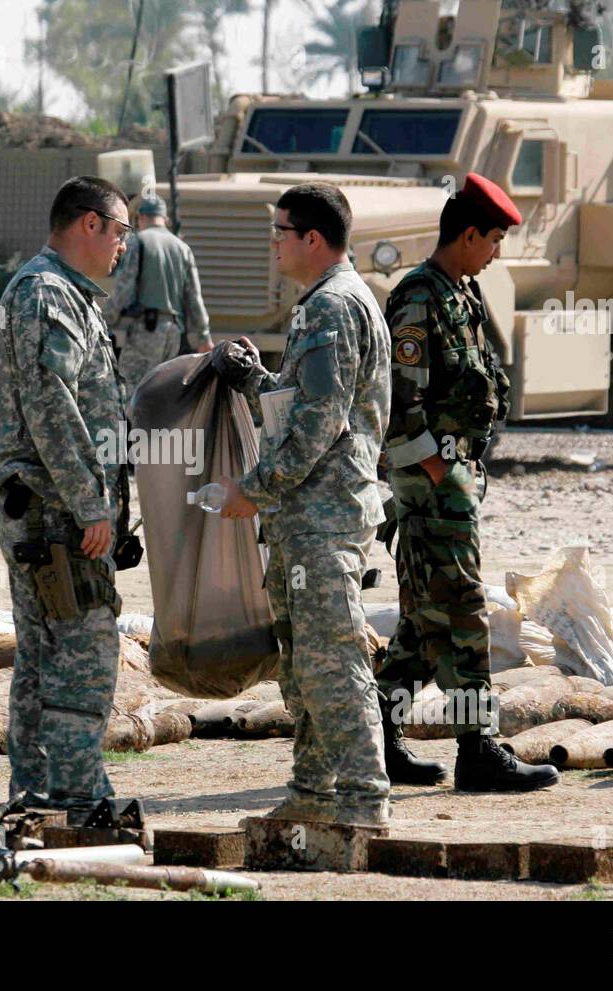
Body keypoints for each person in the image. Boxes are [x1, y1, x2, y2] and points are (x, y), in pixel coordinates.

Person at [211, 182, 392, 827]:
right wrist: (254, 378)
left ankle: (363, 799)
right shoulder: (331, 303)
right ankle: (313, 793)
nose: (274, 243)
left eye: (281, 232)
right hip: (313, 512)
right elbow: (307, 406)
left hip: (320, 515)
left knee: (332, 659)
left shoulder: (332, 309)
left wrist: (250, 491)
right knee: (305, 656)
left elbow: (318, 426)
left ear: (312, 239)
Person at [377, 172, 560, 792]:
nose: (498, 252)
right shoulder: (418, 299)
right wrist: (438, 471)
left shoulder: (463, 294)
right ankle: (478, 751)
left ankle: (377, 734)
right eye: (494, 239)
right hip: (431, 488)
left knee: (425, 626)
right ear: (469, 234)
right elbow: (399, 403)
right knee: (464, 617)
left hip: (455, 481)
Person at [0, 176, 131, 815]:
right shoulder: (47, 294)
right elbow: (51, 403)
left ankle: (39, 790)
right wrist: (89, 502)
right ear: (89, 224)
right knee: (84, 644)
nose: (124, 245)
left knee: (44, 649)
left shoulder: (68, 295)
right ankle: (74, 790)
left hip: (48, 502)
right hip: (53, 508)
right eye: (120, 231)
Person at [105, 195, 212, 393]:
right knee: (162, 391)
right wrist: (204, 335)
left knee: (129, 391)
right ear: (165, 219)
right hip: (173, 333)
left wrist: (106, 320)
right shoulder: (183, 248)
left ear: (141, 218)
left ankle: (131, 426)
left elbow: (124, 286)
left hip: (147, 330)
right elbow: (194, 297)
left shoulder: (139, 242)